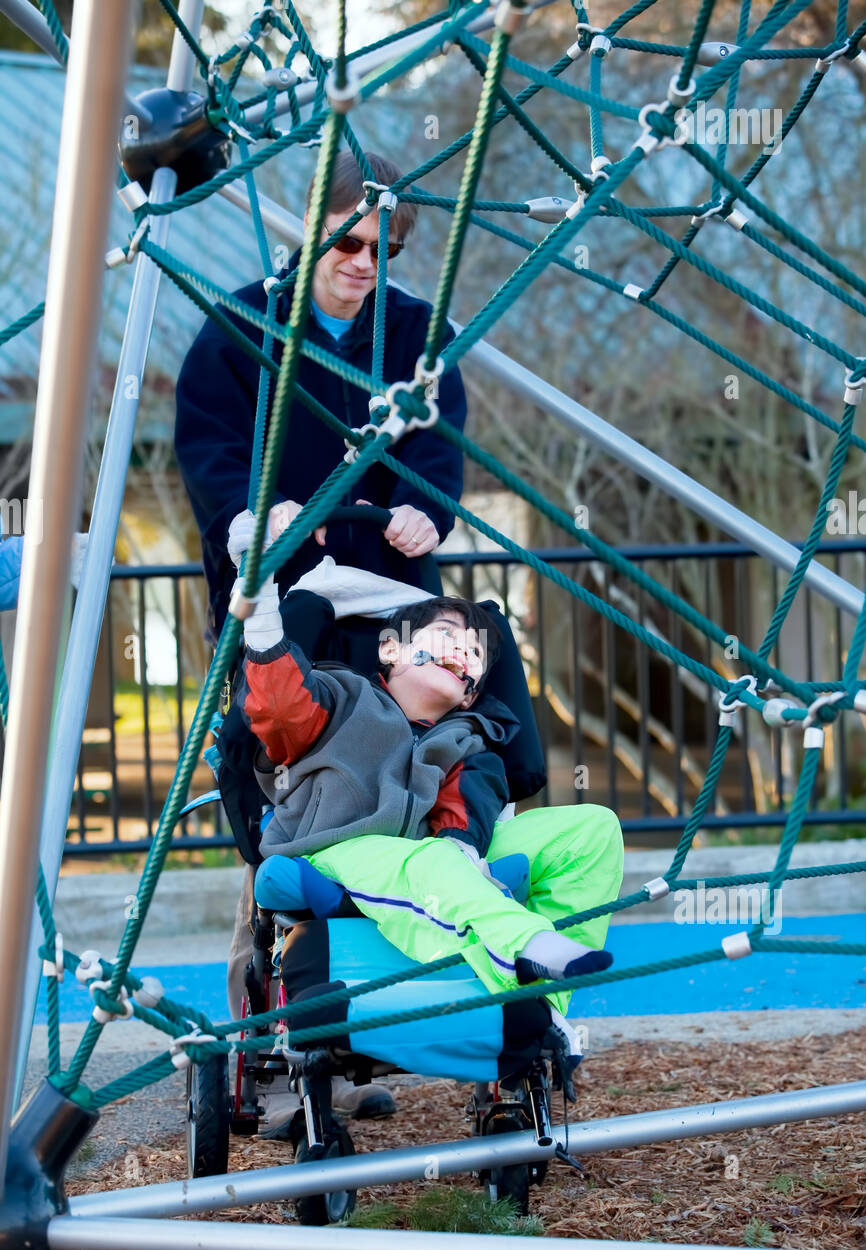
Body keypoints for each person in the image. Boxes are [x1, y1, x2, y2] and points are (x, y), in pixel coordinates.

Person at [236, 572, 624, 1025]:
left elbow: (464, 808)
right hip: (334, 847)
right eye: (446, 635)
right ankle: (525, 947)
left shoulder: (471, 741)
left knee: (593, 828)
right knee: (433, 861)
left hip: (438, 853)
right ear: (390, 650)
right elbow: (279, 707)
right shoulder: (336, 698)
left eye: (475, 651)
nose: (463, 649)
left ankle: (543, 1011)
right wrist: (263, 620)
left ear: (470, 693)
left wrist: (461, 845)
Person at [175, 149, 466, 648]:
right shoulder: (242, 325)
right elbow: (208, 447)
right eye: (348, 241)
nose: (363, 263)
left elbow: (436, 443)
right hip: (276, 598)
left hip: (389, 601)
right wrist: (263, 508)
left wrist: (425, 508)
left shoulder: (419, 331)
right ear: (311, 224)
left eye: (383, 251)